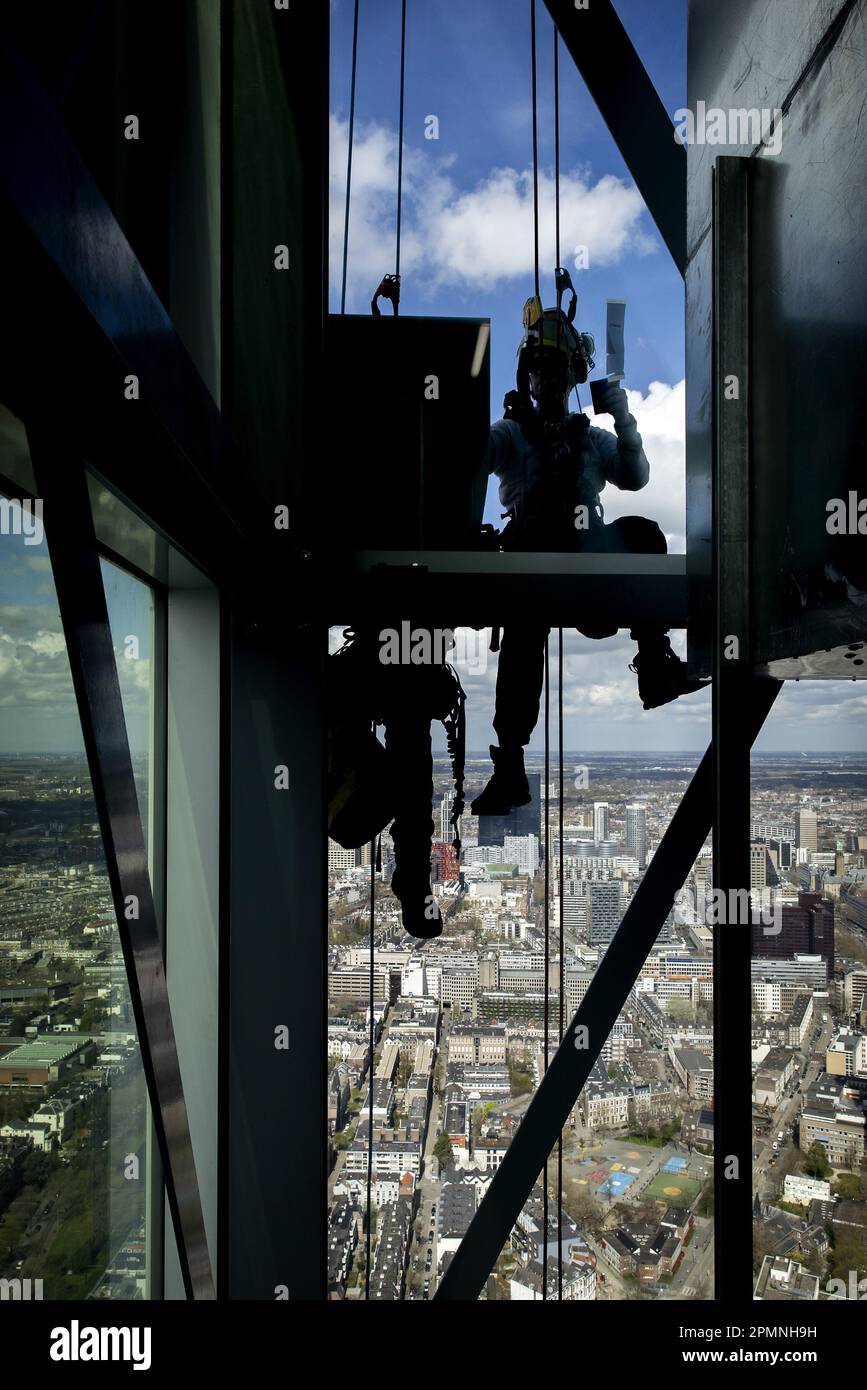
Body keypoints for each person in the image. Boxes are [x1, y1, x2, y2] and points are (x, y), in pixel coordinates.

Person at [472, 297, 705, 817]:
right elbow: (476, 455)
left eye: (555, 372)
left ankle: (654, 665)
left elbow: (637, 476)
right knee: (522, 641)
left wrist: (621, 414)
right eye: (540, 372)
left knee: (644, 533)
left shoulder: (588, 439)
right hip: (545, 570)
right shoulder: (511, 434)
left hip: (580, 568)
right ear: (529, 378)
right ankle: (509, 763)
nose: (548, 383)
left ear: (570, 377)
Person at [328, 626, 466, 939]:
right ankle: (414, 877)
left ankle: (414, 876)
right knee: (412, 769)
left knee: (410, 775)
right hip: (405, 669)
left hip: (383, 667)